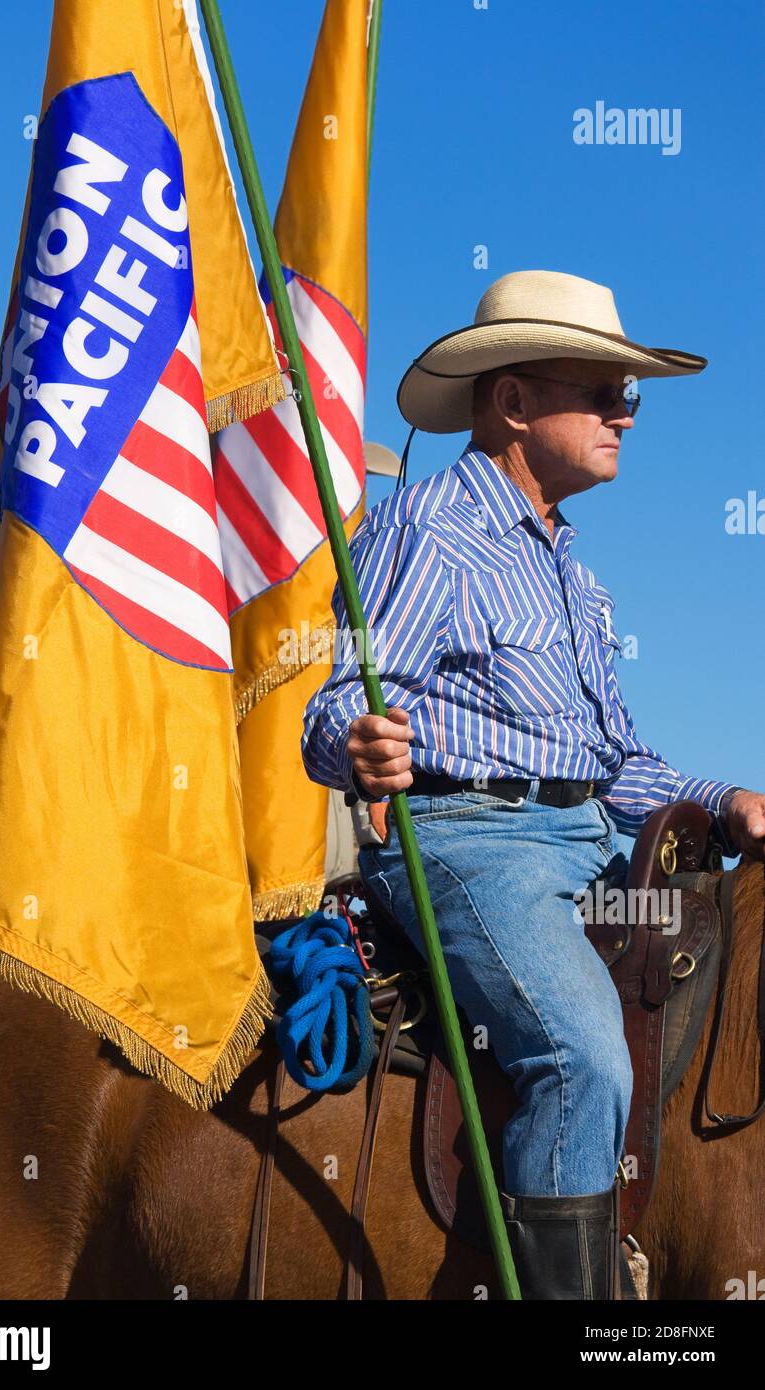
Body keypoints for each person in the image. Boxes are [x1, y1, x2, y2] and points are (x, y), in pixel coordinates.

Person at [301, 269, 765, 1299]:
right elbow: (333, 707)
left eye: (628, 396)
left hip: (589, 840)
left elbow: (617, 766)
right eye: (603, 390)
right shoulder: (425, 530)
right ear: (512, 403)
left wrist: (732, 799)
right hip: (469, 841)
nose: (623, 415)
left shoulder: (575, 577)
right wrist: (362, 742)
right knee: (581, 1058)